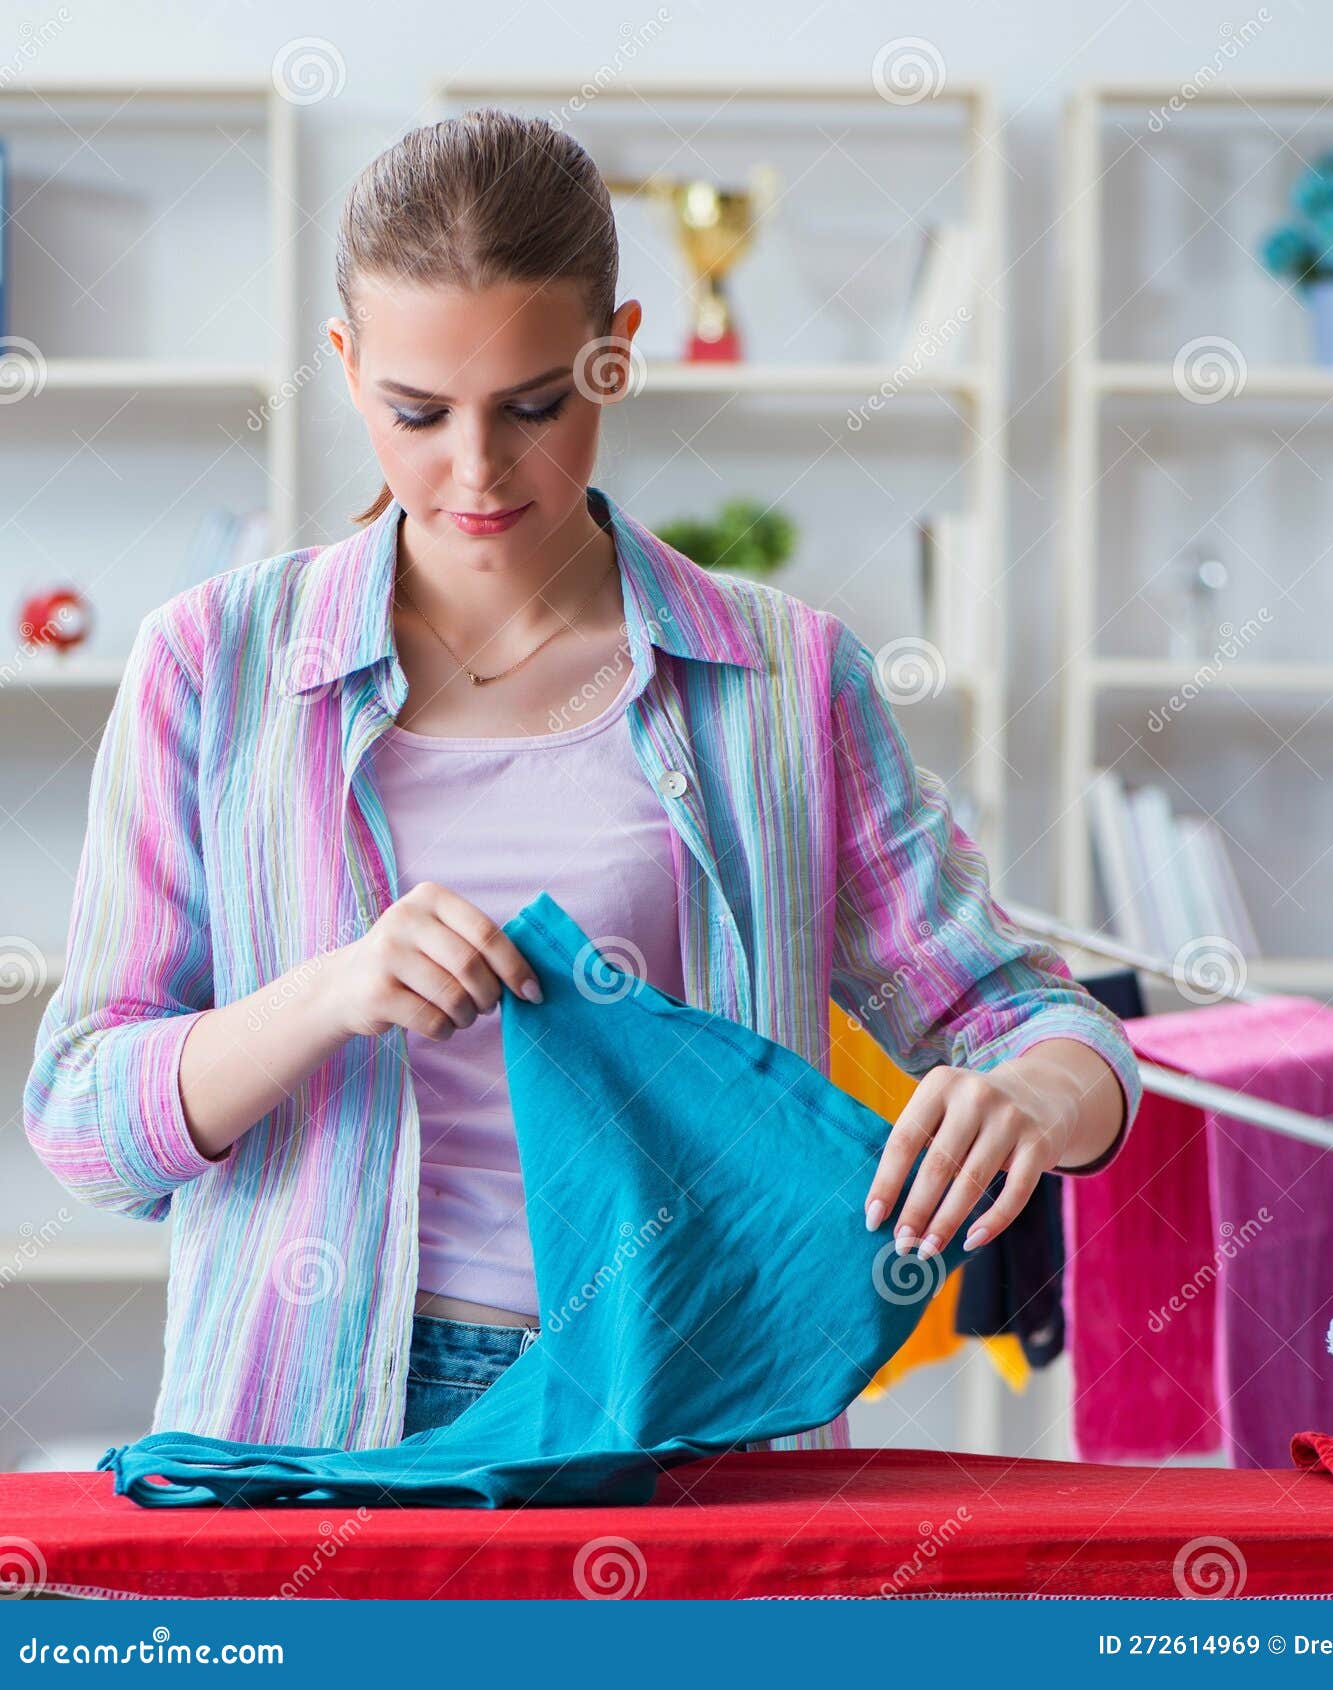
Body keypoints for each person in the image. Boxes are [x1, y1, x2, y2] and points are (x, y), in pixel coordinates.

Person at [24, 108, 1140, 1454]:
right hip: (315, 1419)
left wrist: (1026, 1098)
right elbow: (85, 1122)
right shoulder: (212, 666)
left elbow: (1039, 1021)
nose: (477, 472)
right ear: (346, 363)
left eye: (534, 405)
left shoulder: (784, 681)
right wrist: (328, 993)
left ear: (616, 352)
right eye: (418, 414)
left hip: (684, 1412)